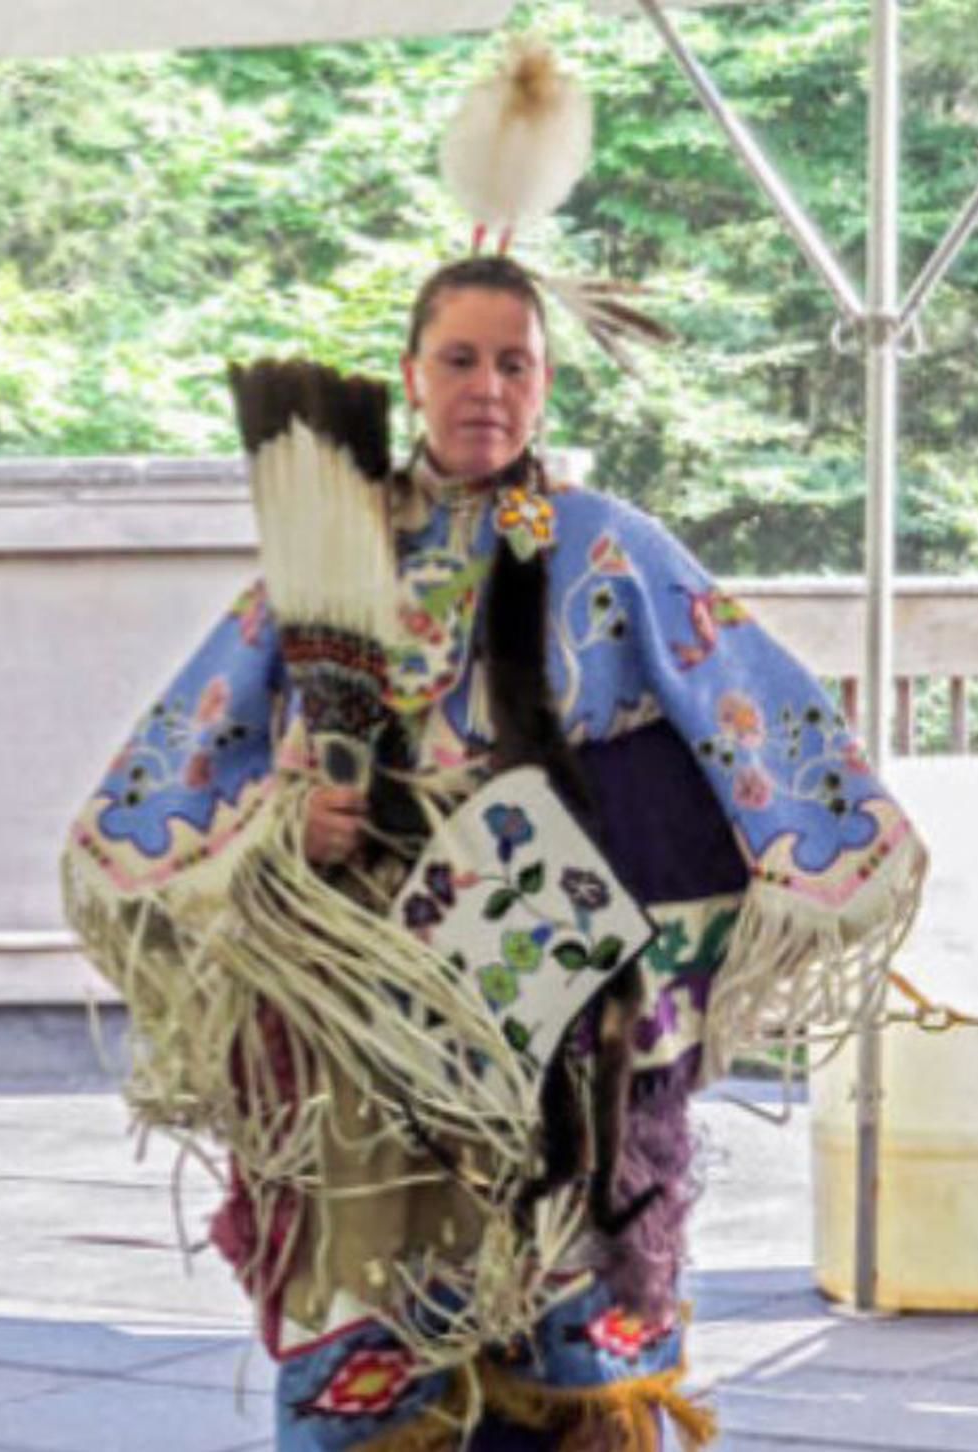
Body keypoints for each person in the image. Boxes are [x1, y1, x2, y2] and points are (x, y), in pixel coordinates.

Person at [62, 253, 925, 1451]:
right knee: (376, 1326)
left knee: (577, 1332)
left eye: (512, 363)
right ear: (411, 376)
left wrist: (798, 874)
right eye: (458, 359)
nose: (485, 387)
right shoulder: (329, 557)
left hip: (570, 1012)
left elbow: (755, 719)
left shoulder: (608, 548)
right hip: (363, 1019)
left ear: (545, 385)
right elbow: (169, 786)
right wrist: (277, 835)